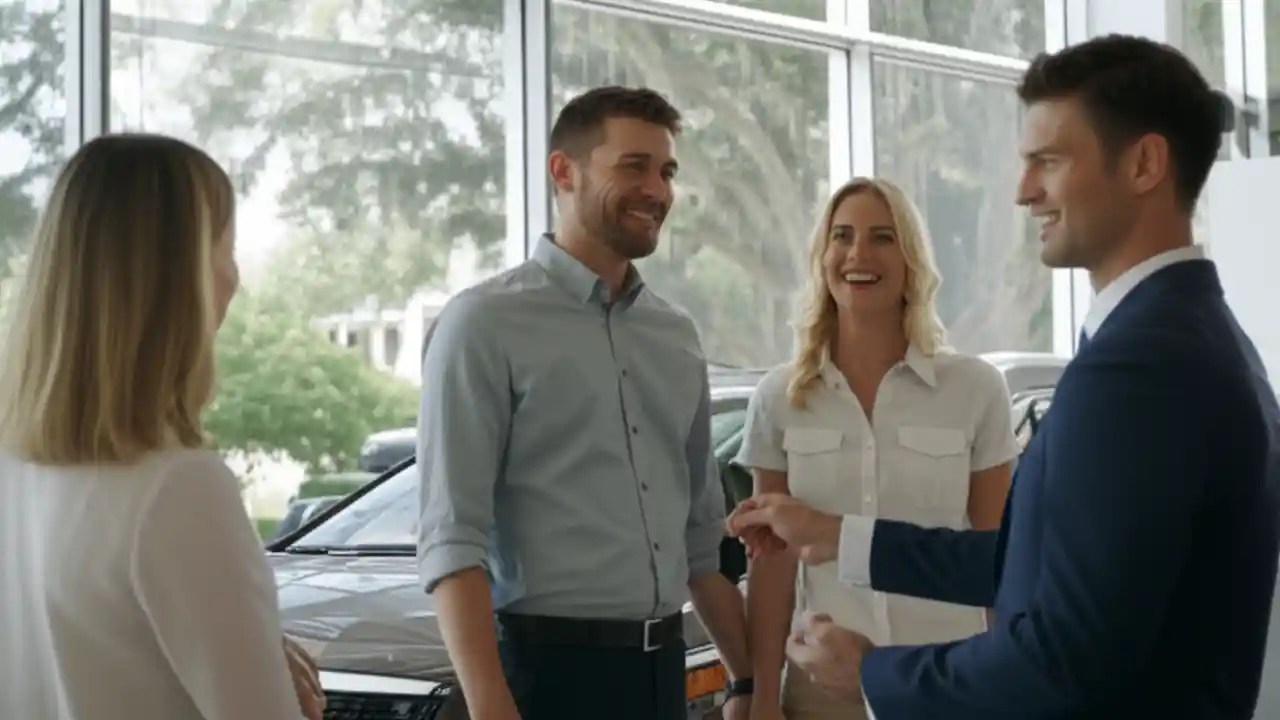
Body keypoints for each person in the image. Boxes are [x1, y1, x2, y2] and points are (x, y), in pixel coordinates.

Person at [727, 34, 1280, 718]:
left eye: (1047, 161)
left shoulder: (1141, 367)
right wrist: (835, 535)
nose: (1023, 192)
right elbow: (1033, 567)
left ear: (1144, 163)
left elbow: (1066, 656)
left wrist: (873, 675)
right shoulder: (1182, 335)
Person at [417, 86, 750, 720]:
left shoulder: (675, 337)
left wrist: (750, 683)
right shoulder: (483, 324)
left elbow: (700, 542)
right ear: (562, 171)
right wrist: (491, 707)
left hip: (662, 677)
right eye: (634, 166)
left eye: (667, 171)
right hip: (542, 681)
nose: (658, 189)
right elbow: (452, 538)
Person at [0, 134, 325, 720]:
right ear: (179, 278)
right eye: (226, 248)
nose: (235, 277)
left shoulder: (17, 466)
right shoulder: (180, 487)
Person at [735, 177, 1015, 720]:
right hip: (822, 692)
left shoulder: (975, 389)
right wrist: (763, 697)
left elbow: (997, 560)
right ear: (823, 257)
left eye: (883, 237)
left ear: (911, 259)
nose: (859, 253)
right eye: (842, 235)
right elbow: (771, 571)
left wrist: (1013, 689)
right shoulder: (778, 397)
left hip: (947, 684)